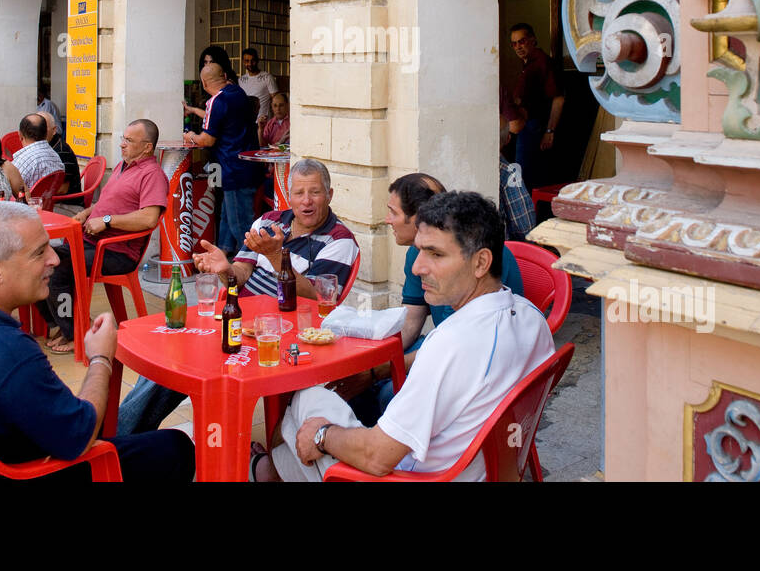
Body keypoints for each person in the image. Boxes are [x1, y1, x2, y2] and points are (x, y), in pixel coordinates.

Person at [254, 191, 553, 482]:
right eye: (420, 250)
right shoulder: (531, 319)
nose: (417, 267)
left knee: (307, 400)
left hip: (412, 476)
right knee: (304, 420)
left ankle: (266, 471)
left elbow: (377, 455)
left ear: (480, 263)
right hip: (483, 468)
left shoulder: (452, 343)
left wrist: (323, 436)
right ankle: (271, 470)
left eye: (435, 254)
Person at [0, 202, 194, 483]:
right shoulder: (8, 351)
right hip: (16, 472)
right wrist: (100, 358)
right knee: (173, 448)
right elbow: (81, 435)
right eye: (39, 252)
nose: (53, 259)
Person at [118, 158, 359, 435]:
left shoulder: (338, 240)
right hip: (239, 322)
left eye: (315, 192)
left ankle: (118, 441)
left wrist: (273, 255)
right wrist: (225, 269)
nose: (307, 201)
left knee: (186, 364)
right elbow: (241, 274)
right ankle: (124, 439)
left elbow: (318, 298)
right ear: (288, 195)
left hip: (282, 337)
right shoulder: (269, 220)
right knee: (169, 359)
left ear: (329, 195)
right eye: (299, 193)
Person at [343, 172, 527, 424]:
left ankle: (381, 446)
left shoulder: (469, 270)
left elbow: (457, 345)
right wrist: (370, 360)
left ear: (419, 220)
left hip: (475, 358)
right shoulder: (417, 257)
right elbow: (409, 323)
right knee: (363, 383)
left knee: (389, 394)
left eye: (393, 212)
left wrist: (378, 371)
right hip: (447, 344)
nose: (387, 220)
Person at [40, 119, 168, 355]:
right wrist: (86, 213)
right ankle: (62, 323)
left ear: (147, 147)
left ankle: (77, 334)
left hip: (116, 252)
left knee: (55, 267)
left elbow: (149, 218)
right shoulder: (123, 166)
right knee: (36, 258)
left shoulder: (152, 174)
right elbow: (107, 203)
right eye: (123, 138)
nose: (122, 144)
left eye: (129, 140)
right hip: (91, 241)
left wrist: (107, 221)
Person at [183, 62, 260, 255]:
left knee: (240, 222)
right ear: (224, 75)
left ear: (204, 83)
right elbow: (218, 118)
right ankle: (224, 251)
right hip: (248, 165)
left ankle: (251, 263)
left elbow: (207, 139)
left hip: (232, 168)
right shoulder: (237, 93)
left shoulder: (216, 101)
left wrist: (190, 136)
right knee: (228, 212)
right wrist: (193, 110)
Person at [509, 22, 565, 190]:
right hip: (525, 127)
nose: (518, 47)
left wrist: (550, 131)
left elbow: (558, 98)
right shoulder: (528, 65)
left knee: (525, 178)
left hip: (536, 128)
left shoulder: (542, 63)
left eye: (522, 41)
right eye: (514, 43)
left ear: (533, 40)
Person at [11, 113, 64, 192]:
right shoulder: (56, 157)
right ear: (46, 133)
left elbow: (7, 191)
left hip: (24, 203)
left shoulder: (23, 161)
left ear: (20, 135)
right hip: (47, 203)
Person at [41, 111, 82, 196]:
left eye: (43, 127)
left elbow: (62, 189)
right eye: (36, 128)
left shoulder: (62, 151)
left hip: (66, 203)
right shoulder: (43, 147)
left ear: (54, 130)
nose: (39, 131)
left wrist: (35, 193)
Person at [239, 48, 280, 124]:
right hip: (247, 123)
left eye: (253, 60)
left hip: (264, 123)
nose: (250, 64)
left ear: (257, 60)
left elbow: (277, 100)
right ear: (243, 62)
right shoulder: (241, 80)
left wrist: (277, 121)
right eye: (247, 61)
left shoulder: (267, 77)